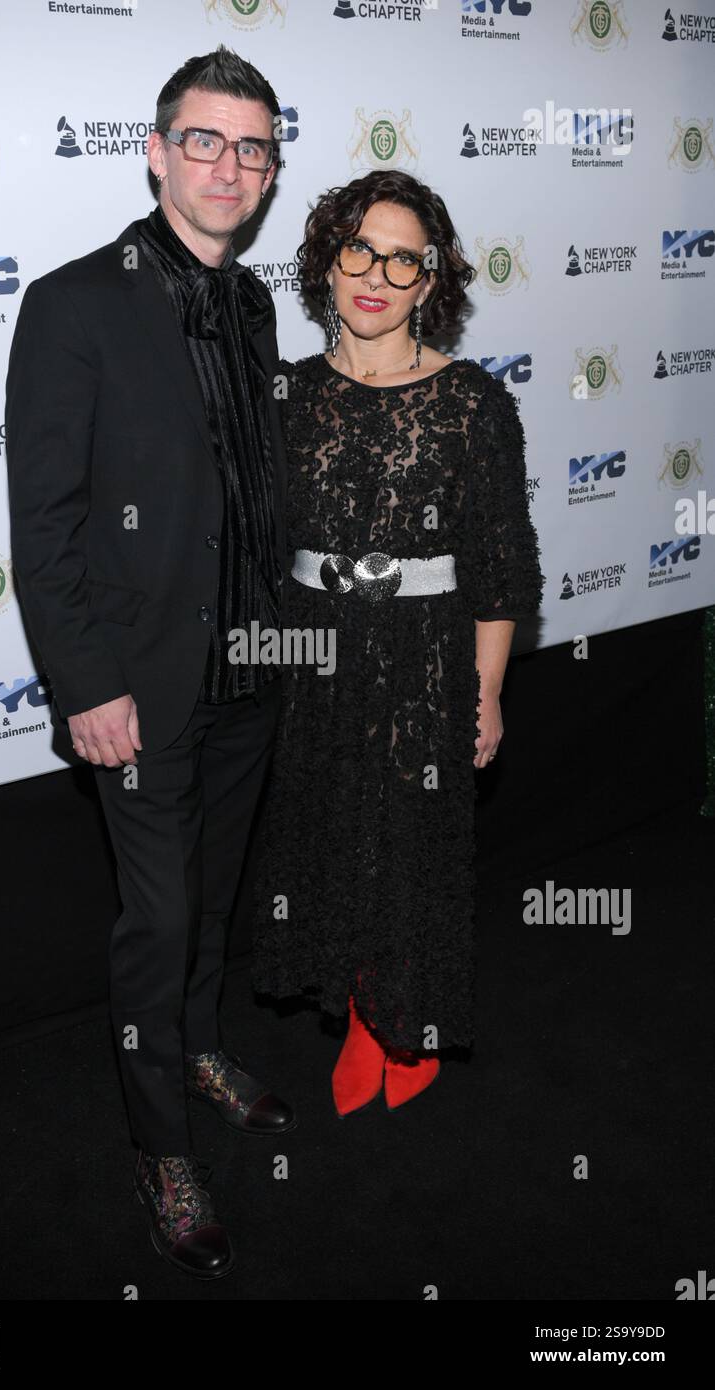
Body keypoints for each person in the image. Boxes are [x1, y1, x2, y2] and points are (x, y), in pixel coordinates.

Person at [5, 46, 296, 1282]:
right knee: (159, 914)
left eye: (252, 147)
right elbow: (46, 521)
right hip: (136, 684)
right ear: (154, 147)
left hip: (248, 661)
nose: (227, 165)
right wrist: (85, 685)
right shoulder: (75, 302)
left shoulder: (252, 301)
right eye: (204, 140)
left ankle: (195, 1046)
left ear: (270, 167)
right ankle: (158, 1142)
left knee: (216, 894)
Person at [251, 169, 545, 1117]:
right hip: (310, 648)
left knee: (408, 838)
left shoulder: (471, 403)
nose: (375, 273)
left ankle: (400, 1021)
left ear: (430, 282)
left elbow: (501, 568)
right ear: (327, 265)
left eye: (401, 258)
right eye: (356, 250)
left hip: (424, 649)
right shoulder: (284, 393)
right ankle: (355, 1005)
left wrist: (486, 692)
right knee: (330, 828)